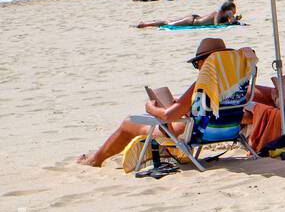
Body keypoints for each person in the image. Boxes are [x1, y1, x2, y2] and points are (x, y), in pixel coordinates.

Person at [78, 37, 225, 167]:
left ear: (206, 62)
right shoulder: (238, 83)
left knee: (129, 123)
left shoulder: (202, 84)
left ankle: (95, 160)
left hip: (192, 133)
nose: (198, 68)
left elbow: (168, 116)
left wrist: (151, 108)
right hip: (225, 130)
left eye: (197, 64)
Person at [136, 0, 239, 28]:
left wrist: (234, 19)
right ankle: (145, 24)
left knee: (169, 21)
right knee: (168, 23)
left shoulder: (223, 15)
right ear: (227, 10)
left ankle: (149, 22)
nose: (233, 14)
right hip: (191, 21)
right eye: (232, 12)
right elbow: (217, 25)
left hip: (194, 18)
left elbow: (227, 22)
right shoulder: (218, 13)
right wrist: (230, 21)